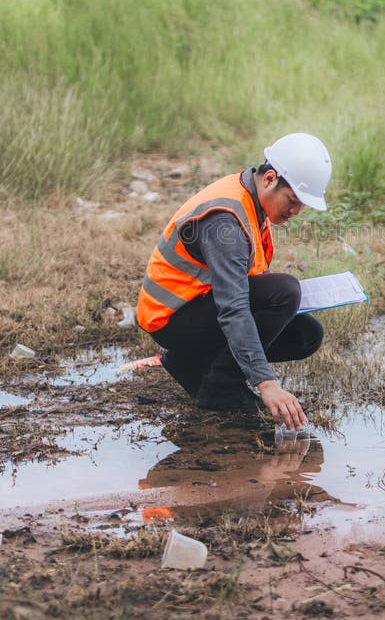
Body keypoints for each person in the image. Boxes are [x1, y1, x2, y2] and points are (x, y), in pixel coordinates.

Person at [136, 133, 332, 431]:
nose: (295, 212)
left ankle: (189, 363)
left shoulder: (251, 198)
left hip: (198, 309)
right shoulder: (225, 221)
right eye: (292, 201)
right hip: (171, 320)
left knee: (306, 335)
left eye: (302, 205)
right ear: (269, 179)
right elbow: (234, 307)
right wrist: (266, 383)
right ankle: (220, 390)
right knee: (284, 293)